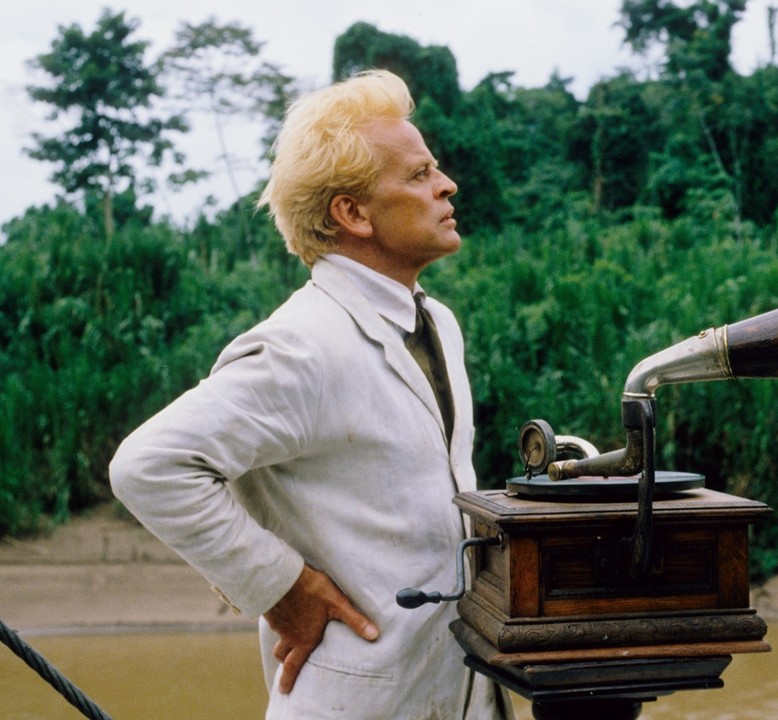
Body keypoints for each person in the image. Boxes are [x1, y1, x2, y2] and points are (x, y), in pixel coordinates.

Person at [110, 70, 512, 719]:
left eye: (434, 169)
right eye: (418, 175)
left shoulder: (437, 322)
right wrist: (281, 587)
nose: (446, 185)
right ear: (352, 214)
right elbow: (149, 466)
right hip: (358, 701)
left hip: (461, 692)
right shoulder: (302, 346)